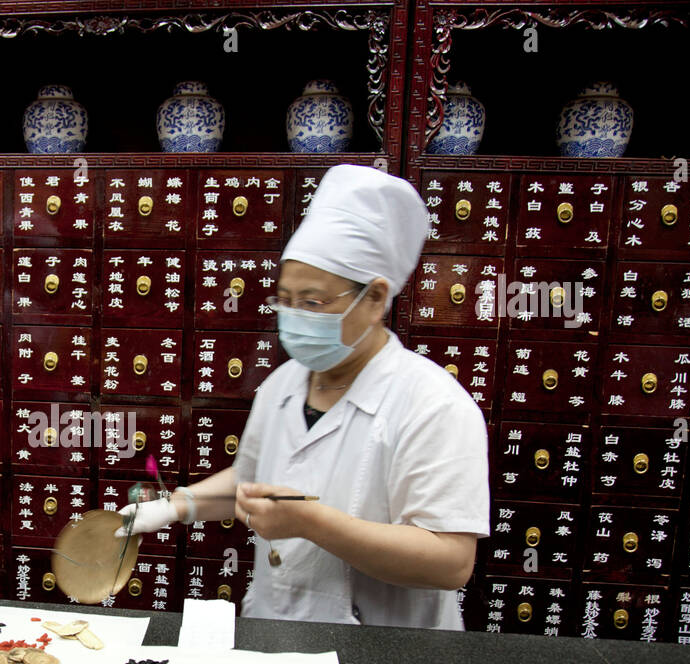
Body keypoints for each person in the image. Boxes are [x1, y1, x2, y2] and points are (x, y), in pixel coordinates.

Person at [118, 164, 489, 629]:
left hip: (384, 659)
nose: (293, 317)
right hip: (275, 634)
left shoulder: (433, 405)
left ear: (376, 298)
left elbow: (451, 562)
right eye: (285, 299)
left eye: (313, 303)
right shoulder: (283, 385)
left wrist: (310, 522)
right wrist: (176, 506)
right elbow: (253, 480)